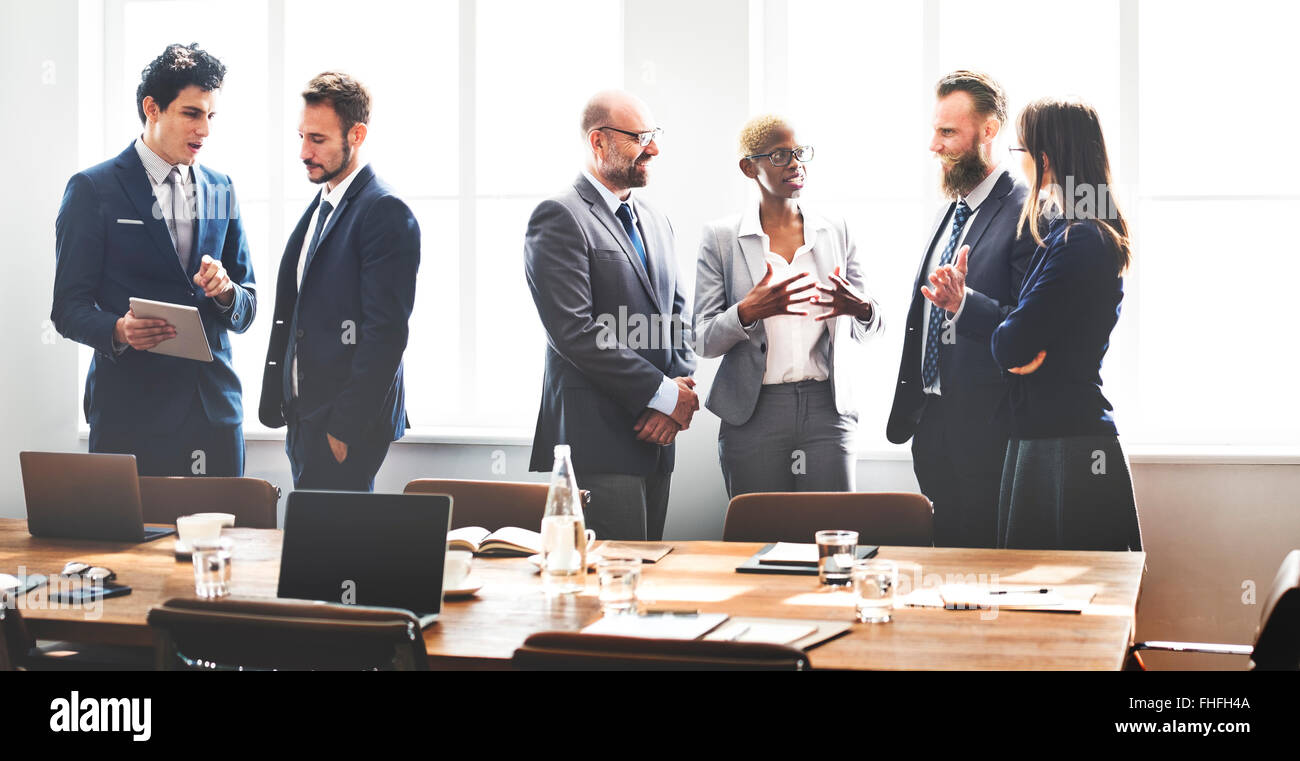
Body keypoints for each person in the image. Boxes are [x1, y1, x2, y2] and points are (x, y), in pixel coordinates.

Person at [52, 43, 256, 477]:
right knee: (129, 546)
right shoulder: (93, 189)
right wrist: (119, 330)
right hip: (131, 414)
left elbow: (247, 305)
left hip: (215, 412)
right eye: (191, 113)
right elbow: (67, 309)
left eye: (210, 116)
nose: (204, 129)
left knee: (220, 544)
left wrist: (225, 293)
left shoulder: (222, 188)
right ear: (152, 108)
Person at [524, 90, 698, 541]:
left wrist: (675, 403)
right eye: (640, 137)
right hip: (598, 440)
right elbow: (575, 331)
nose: (654, 149)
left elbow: (677, 316)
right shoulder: (559, 216)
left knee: (649, 574)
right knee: (611, 588)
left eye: (654, 136)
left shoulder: (656, 220)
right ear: (598, 142)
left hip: (658, 438)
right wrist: (662, 395)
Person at [886, 70, 1037, 548]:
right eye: (935, 130)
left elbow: (1028, 327)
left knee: (986, 572)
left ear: (989, 131)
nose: (935, 145)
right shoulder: (950, 210)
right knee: (946, 564)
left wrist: (965, 303)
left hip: (989, 431)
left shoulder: (1026, 210)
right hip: (932, 425)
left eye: (948, 132)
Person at [983, 97, 1141, 550]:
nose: (1020, 165)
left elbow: (1010, 343)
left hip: (1066, 444)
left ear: (1046, 160)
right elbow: (1017, 336)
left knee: (1074, 603)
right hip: (1049, 434)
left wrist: (1015, 334)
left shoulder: (1081, 239)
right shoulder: (1068, 233)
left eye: (1021, 152)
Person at [694, 115, 881, 498]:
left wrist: (861, 308)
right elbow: (703, 340)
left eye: (799, 153)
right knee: (759, 539)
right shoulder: (722, 238)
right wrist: (747, 311)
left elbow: (873, 324)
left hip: (827, 410)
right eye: (780, 155)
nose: (796, 163)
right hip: (754, 411)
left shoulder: (836, 229)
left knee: (832, 538)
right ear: (750, 167)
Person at [258, 72, 420, 491]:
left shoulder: (384, 210)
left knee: (337, 550)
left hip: (342, 424)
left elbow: (385, 333)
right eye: (301, 137)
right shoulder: (324, 202)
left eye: (318, 139)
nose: (303, 151)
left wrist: (344, 428)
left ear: (357, 134)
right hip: (305, 417)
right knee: (315, 549)